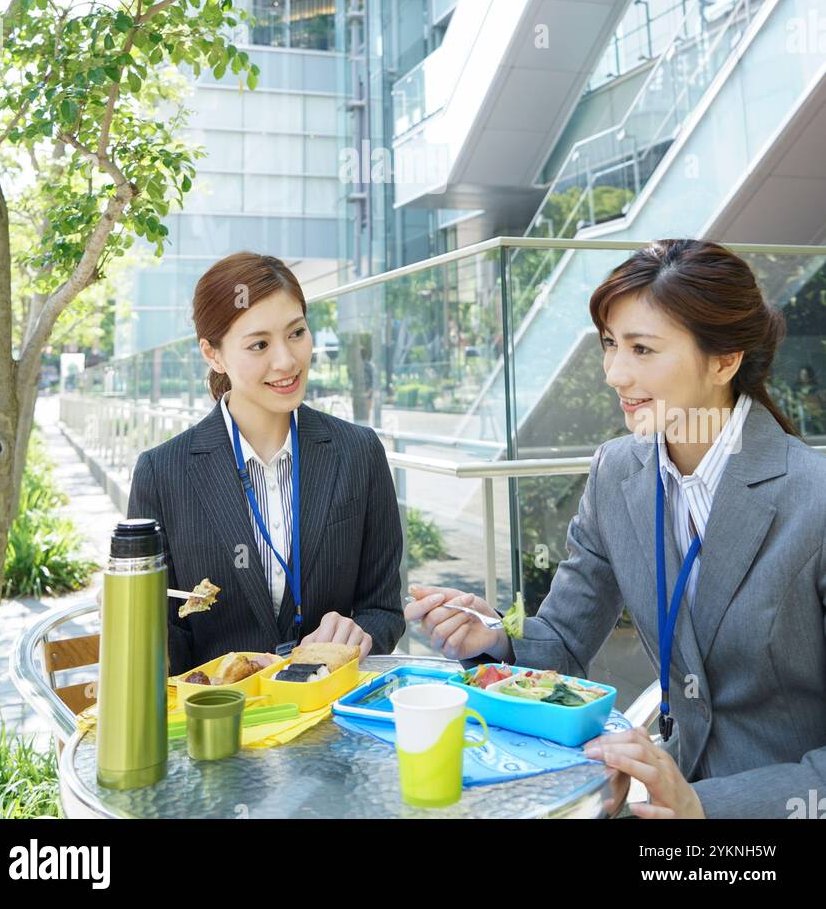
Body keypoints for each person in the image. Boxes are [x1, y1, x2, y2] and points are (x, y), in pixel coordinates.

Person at [406, 239, 826, 820]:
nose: (614, 373)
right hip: (654, 795)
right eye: (609, 345)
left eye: (642, 349)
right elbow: (562, 642)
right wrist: (494, 642)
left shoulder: (815, 499)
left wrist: (708, 806)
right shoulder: (617, 472)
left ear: (725, 360)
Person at [127, 251, 404, 675]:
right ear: (213, 354)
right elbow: (166, 648)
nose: (287, 361)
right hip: (221, 725)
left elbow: (383, 610)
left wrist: (357, 633)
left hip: (330, 716)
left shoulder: (358, 452)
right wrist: (131, 623)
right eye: (259, 344)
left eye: (296, 333)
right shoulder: (163, 473)